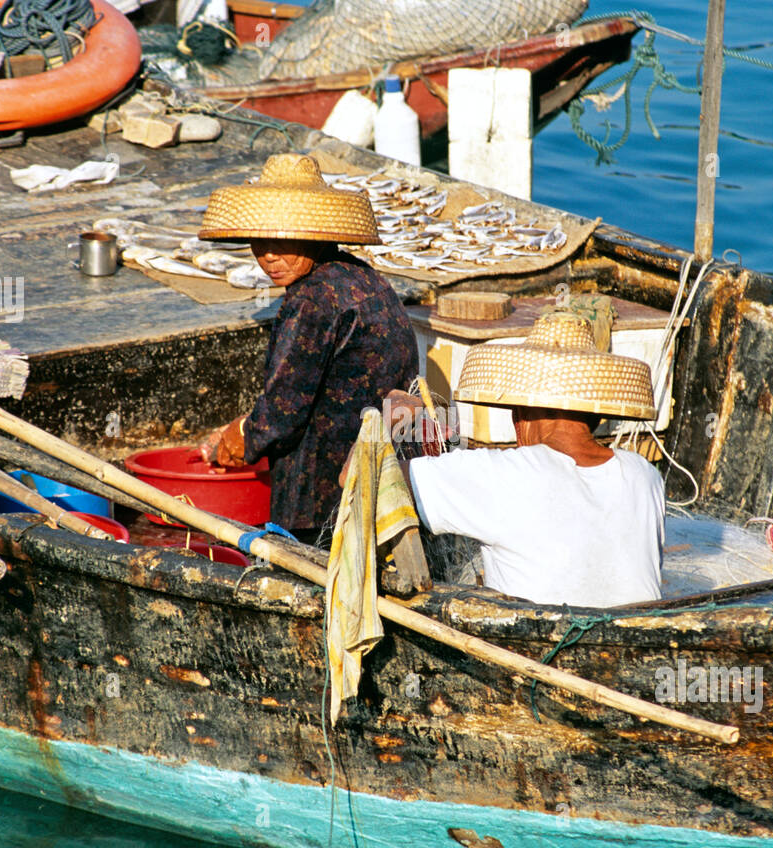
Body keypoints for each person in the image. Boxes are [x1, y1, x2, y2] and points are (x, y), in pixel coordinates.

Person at [196, 153, 418, 543]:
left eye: (282, 241)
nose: (268, 256)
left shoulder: (312, 300)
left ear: (315, 236)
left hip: (324, 493)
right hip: (383, 471)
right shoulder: (363, 278)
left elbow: (281, 414)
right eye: (259, 242)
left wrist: (238, 438)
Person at [394, 313, 665, 608]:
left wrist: (388, 420)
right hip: (638, 637)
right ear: (596, 417)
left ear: (520, 415)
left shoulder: (503, 475)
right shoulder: (646, 476)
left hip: (533, 648)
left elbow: (368, 479)